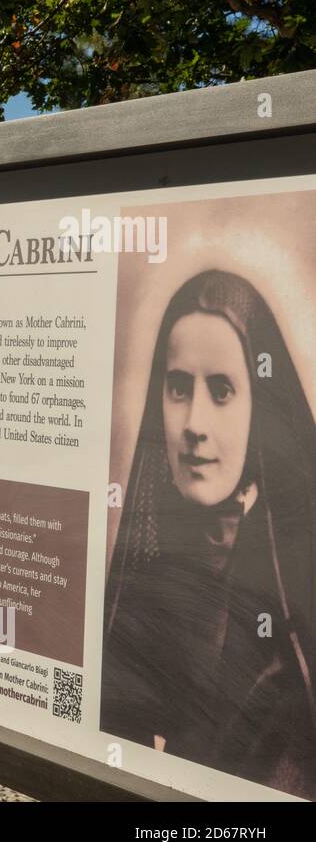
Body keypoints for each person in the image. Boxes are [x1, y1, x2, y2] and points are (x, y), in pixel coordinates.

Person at [101, 269, 316, 799]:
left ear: (260, 410)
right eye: (178, 388)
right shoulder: (144, 580)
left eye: (221, 390)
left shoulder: (294, 591)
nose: (194, 422)